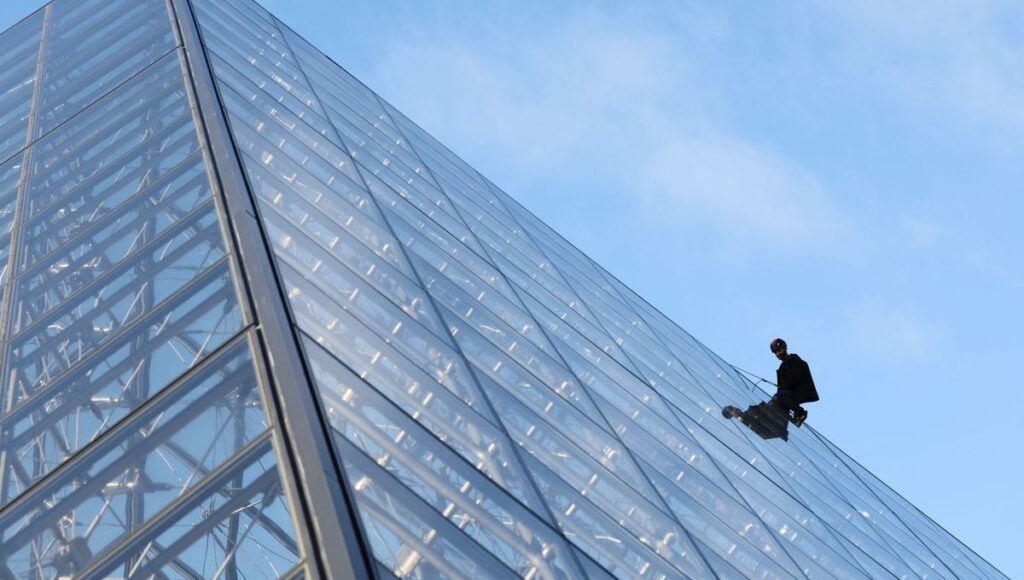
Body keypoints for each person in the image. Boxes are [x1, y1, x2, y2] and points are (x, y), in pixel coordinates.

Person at [770, 338, 819, 427]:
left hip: (801, 390)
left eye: (779, 350)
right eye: (776, 352)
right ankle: (752, 417)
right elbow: (781, 390)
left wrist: (782, 390)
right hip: (789, 394)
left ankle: (801, 413)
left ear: (785, 348)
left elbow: (796, 375)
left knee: (779, 397)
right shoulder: (781, 369)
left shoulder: (794, 359)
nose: (778, 354)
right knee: (775, 401)